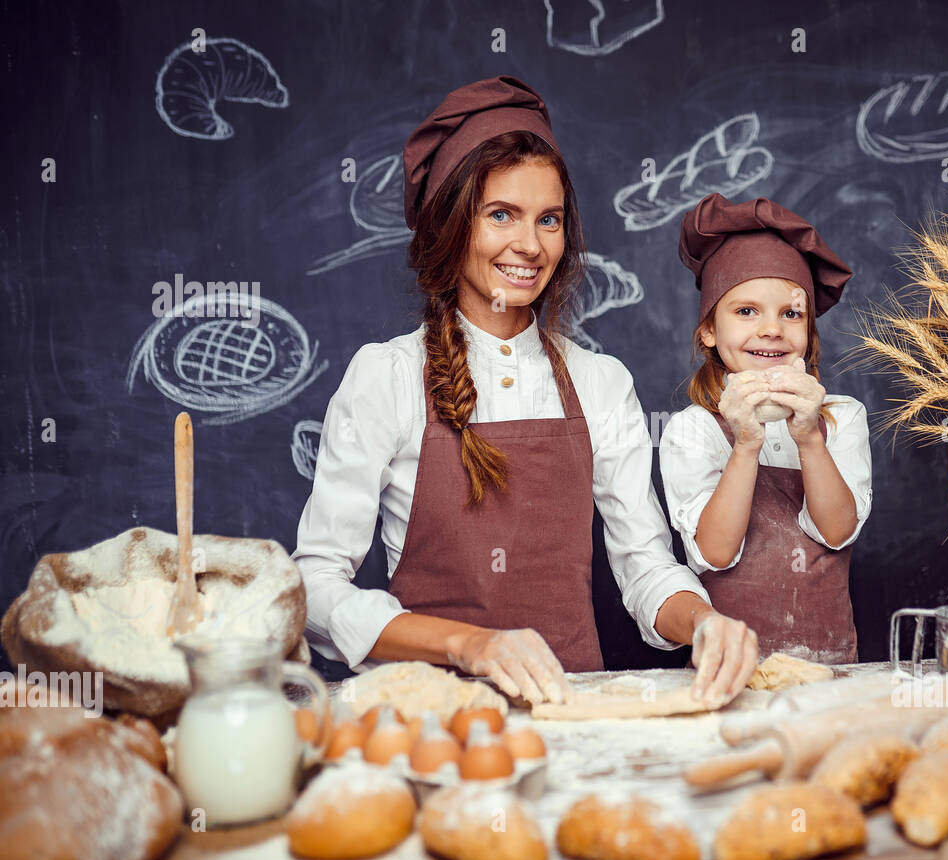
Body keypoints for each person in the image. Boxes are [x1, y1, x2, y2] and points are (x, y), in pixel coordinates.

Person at [291, 77, 758, 706]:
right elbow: (315, 586)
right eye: (501, 215)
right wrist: (469, 645)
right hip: (430, 721)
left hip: (570, 717)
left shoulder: (600, 382)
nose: (530, 246)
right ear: (452, 227)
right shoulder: (389, 377)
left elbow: (644, 565)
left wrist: (702, 623)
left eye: (549, 220)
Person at [658, 193, 872, 663]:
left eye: (791, 313)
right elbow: (715, 552)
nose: (772, 329)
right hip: (730, 670)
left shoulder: (844, 416)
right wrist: (746, 445)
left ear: (809, 333)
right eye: (746, 311)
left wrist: (810, 437)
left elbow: (836, 532)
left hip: (831, 671)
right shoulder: (691, 431)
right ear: (709, 332)